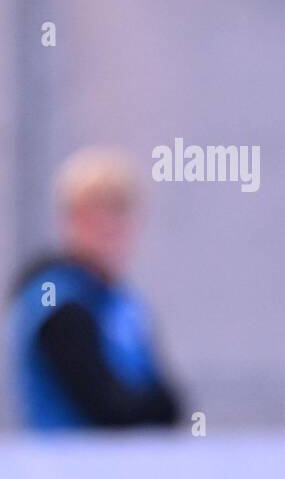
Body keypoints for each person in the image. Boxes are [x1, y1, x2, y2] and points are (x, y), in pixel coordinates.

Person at [10, 147, 179, 430]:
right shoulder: (57, 304)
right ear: (70, 219)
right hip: (64, 469)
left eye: (118, 212)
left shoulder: (124, 306)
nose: (108, 226)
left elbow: (169, 403)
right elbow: (107, 408)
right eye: (94, 212)